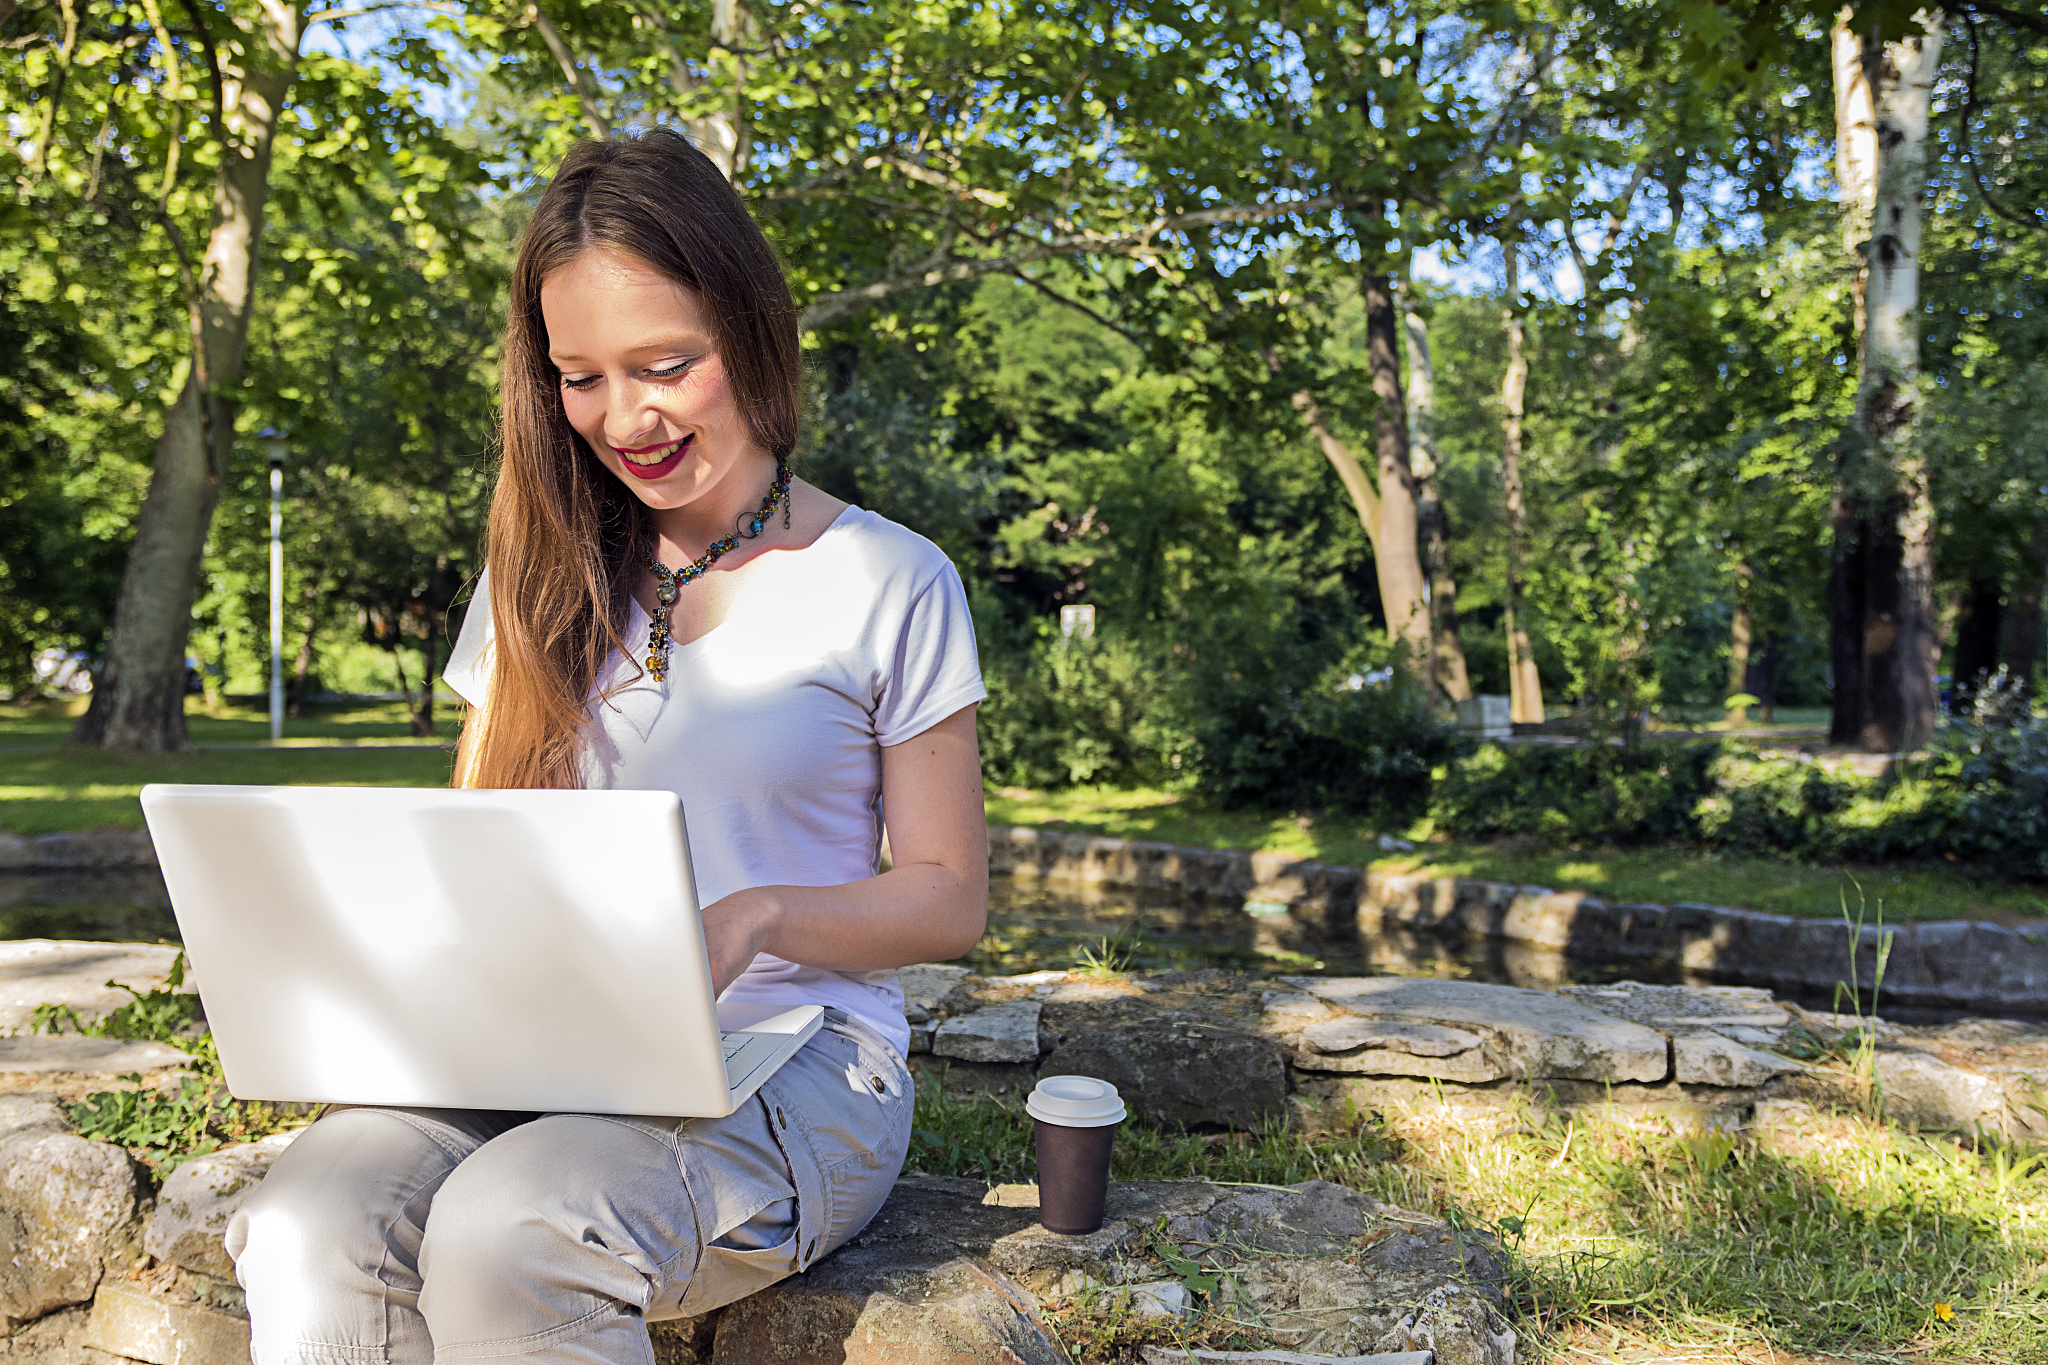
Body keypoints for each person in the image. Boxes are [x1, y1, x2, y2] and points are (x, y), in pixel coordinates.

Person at [226, 130, 990, 1365]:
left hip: (795, 1058)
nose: (622, 417)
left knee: (511, 1229)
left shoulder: (888, 577)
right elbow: (472, 854)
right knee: (308, 1217)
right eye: (579, 376)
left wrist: (755, 917)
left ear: (748, 331)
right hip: (543, 1052)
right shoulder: (531, 576)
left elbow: (948, 898)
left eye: (663, 364)